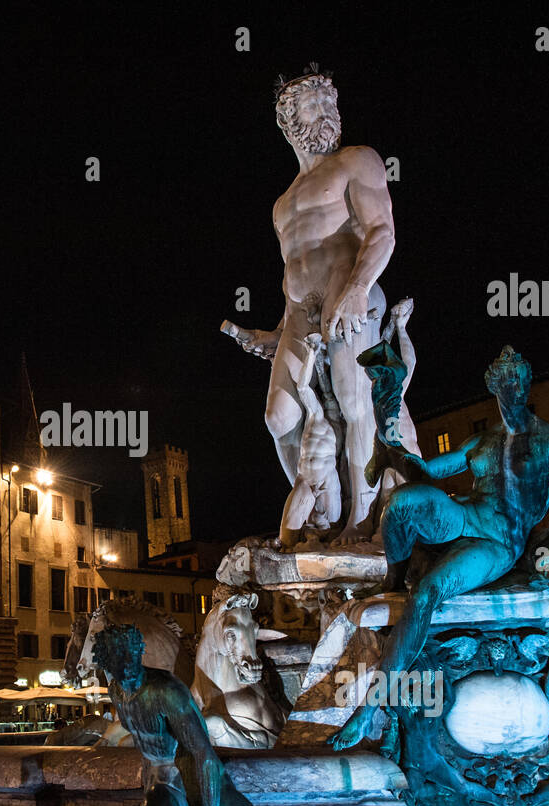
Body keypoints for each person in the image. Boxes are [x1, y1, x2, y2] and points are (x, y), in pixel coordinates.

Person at [330, 346, 549, 749]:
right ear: (494, 386)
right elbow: (427, 473)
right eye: (504, 381)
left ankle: (369, 710)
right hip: (465, 517)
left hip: (498, 541)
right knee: (403, 502)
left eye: (518, 379)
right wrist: (390, 434)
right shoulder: (481, 442)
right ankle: (393, 578)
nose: (512, 388)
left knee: (431, 589)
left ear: (527, 383)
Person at [225, 66, 416, 544]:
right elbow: (294, 269)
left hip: (349, 289)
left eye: (329, 103)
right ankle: (318, 510)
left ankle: (362, 520)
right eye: (312, 105)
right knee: (279, 419)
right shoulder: (281, 203)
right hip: (298, 313)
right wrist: (272, 334)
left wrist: (356, 289)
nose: (325, 112)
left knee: (355, 402)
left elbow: (382, 232)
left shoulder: (358, 160)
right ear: (287, 121)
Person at [89, 625, 286, 806]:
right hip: (166, 790)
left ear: (139, 650)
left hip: (205, 787)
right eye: (118, 657)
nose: (127, 663)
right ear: (106, 662)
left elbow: (207, 757)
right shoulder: (117, 694)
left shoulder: (166, 690)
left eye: (131, 653)